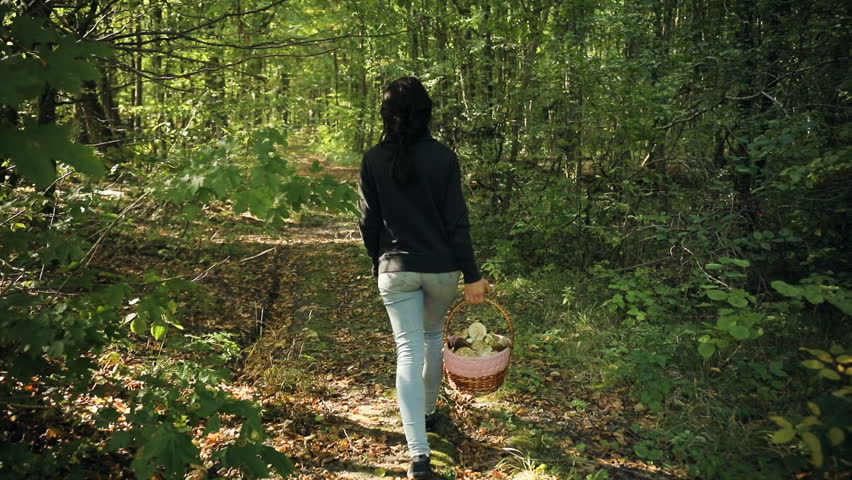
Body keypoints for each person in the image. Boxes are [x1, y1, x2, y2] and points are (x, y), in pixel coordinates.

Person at [358, 76, 491, 479]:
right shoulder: (444, 158)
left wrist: (379, 260)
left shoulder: (372, 159)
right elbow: (457, 223)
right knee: (432, 339)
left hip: (395, 269)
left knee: (407, 352)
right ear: (426, 114)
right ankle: (430, 413)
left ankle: (419, 455)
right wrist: (473, 276)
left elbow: (368, 222)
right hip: (441, 270)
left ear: (386, 115)